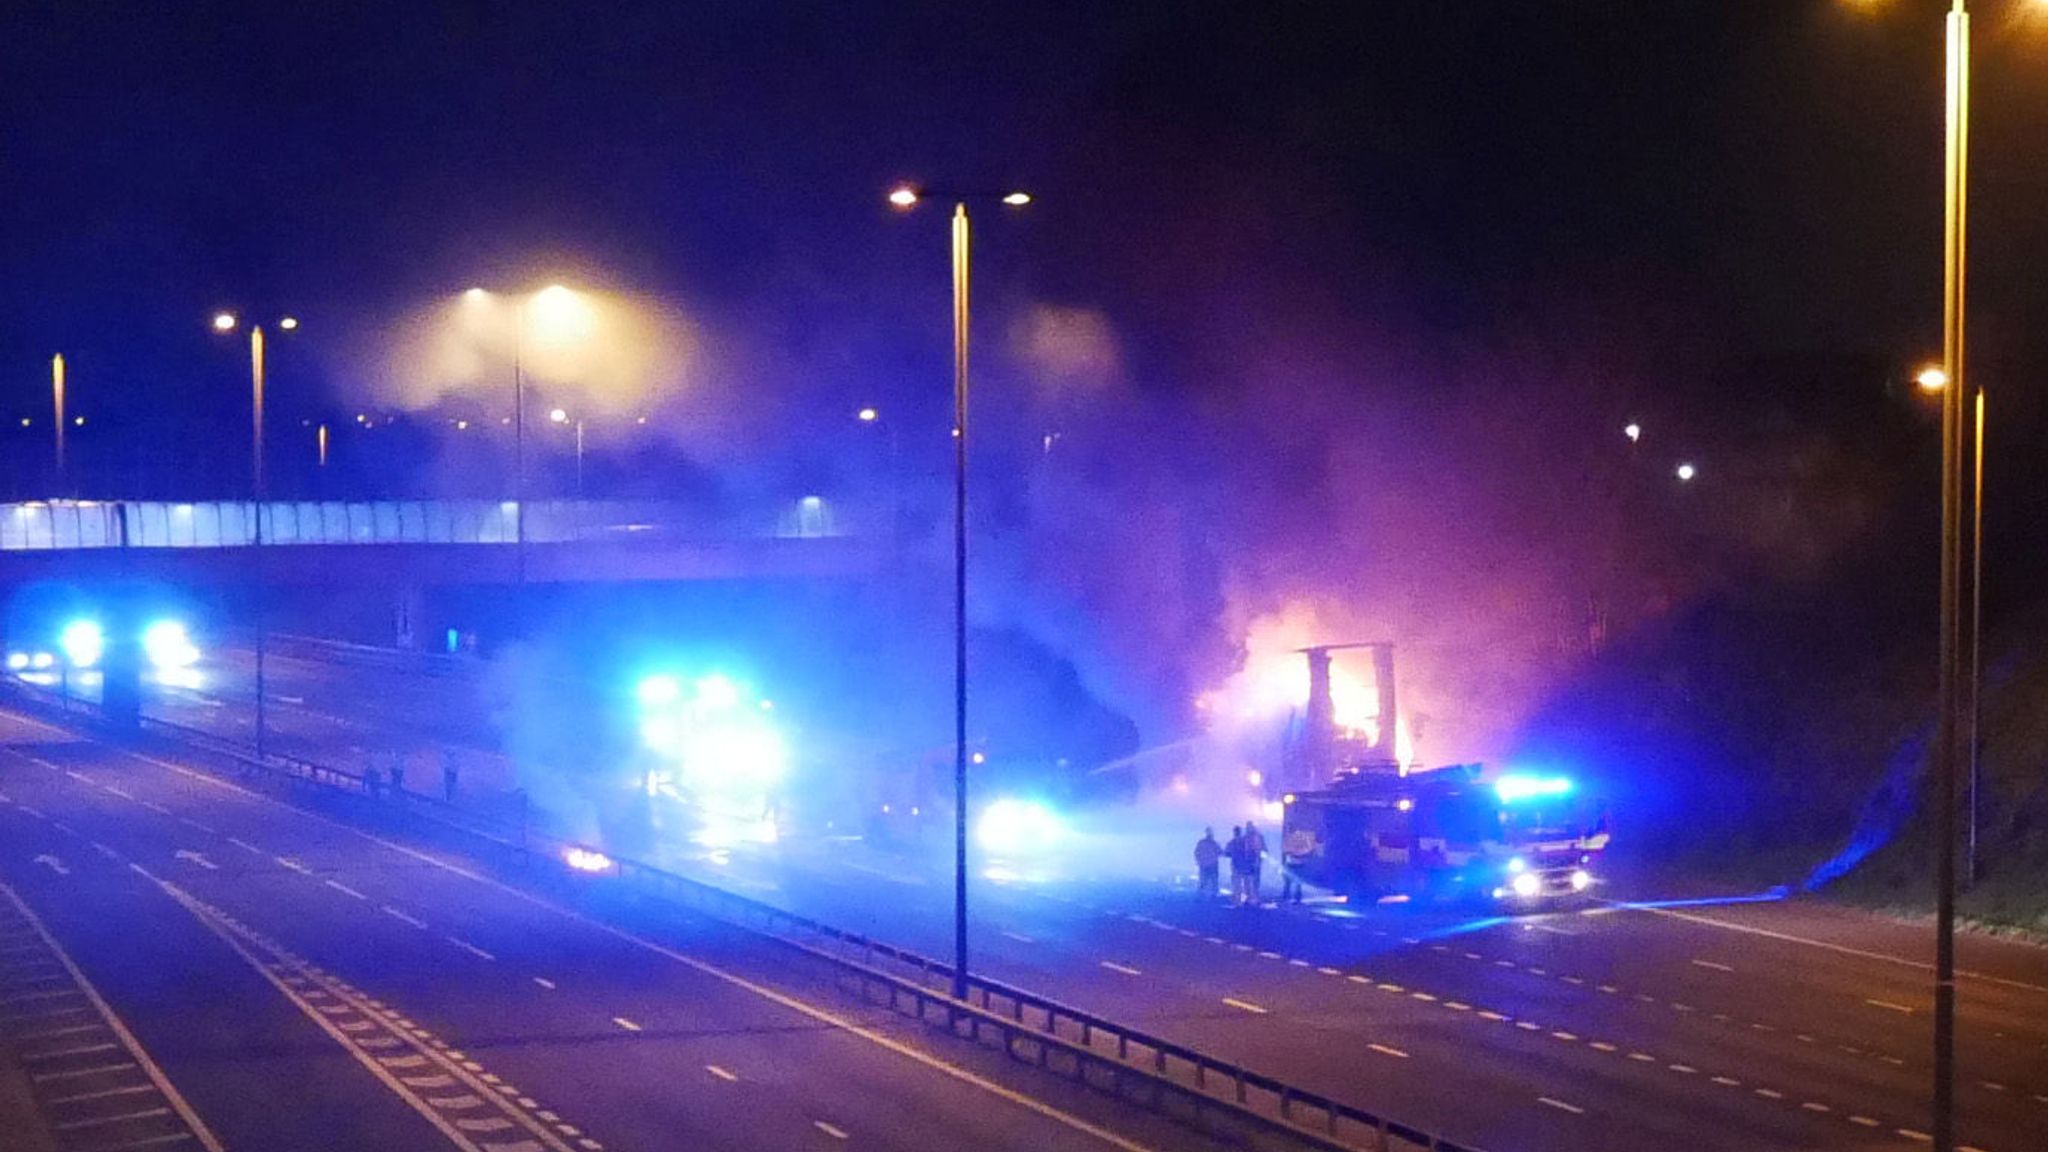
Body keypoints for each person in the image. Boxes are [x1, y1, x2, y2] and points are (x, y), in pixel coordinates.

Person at [1242, 821, 1267, 906]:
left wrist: (1260, 859)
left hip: (1254, 862)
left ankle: (1254, 897)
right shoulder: (1245, 838)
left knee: (1254, 880)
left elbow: (1264, 849)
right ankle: (1250, 897)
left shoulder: (1258, 837)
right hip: (1249, 862)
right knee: (1248, 880)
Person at [1194, 827, 1222, 897]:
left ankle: (1201, 894)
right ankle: (1213, 894)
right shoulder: (1214, 843)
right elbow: (1220, 852)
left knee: (1203, 880)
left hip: (1203, 865)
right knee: (1213, 880)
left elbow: (1196, 853)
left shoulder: (1201, 842)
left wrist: (1199, 861)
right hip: (1212, 865)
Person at [1225, 825, 1246, 905]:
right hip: (1244, 865)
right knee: (1245, 883)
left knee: (1236, 883)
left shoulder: (1232, 842)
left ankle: (1237, 900)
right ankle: (1246, 899)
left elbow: (1227, 853)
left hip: (1235, 864)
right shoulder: (1245, 842)